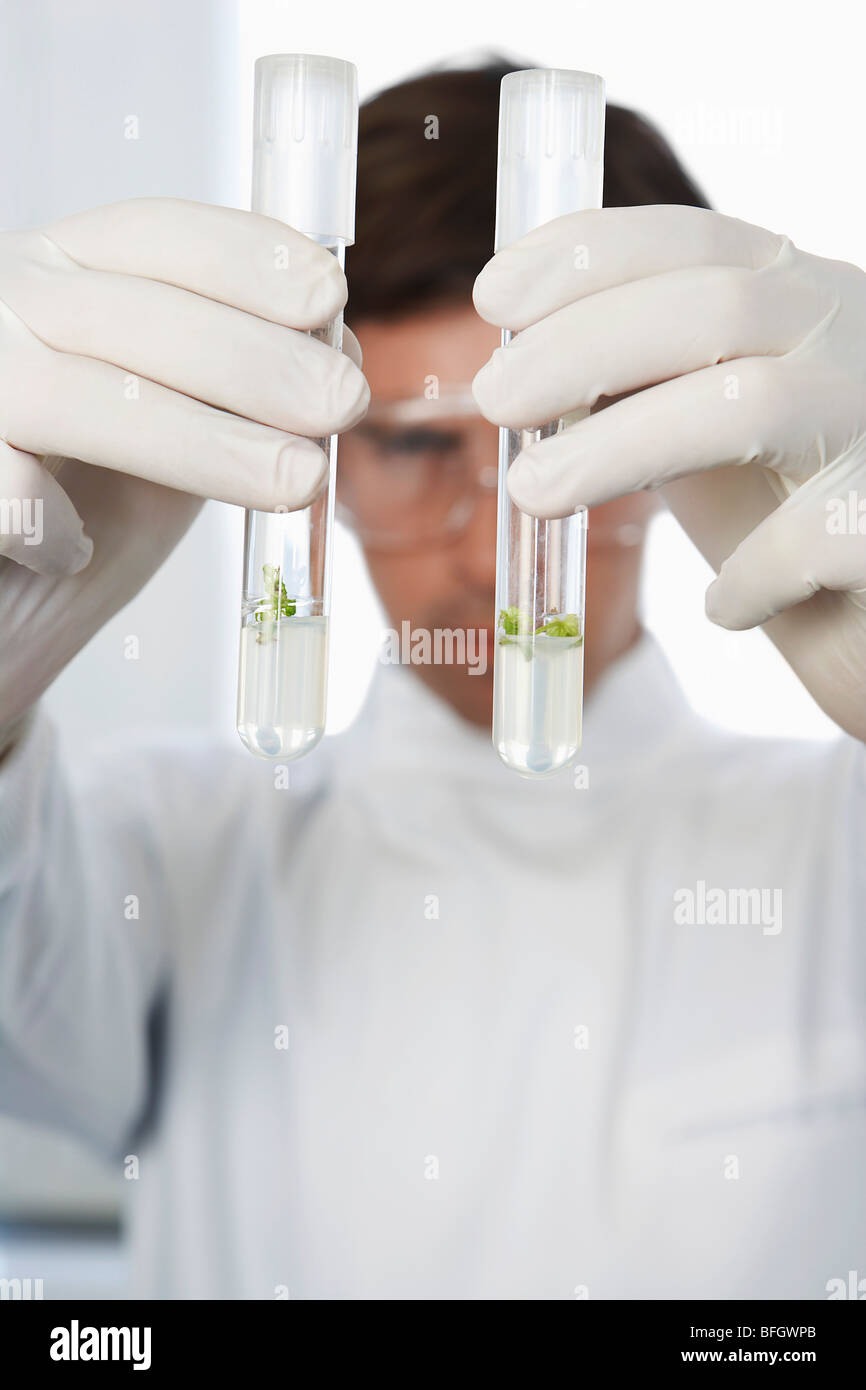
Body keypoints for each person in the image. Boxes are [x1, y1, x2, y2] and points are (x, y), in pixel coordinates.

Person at [0, 59, 864, 1300]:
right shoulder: (160, 852)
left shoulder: (831, 850)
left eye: (554, 441)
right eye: (411, 447)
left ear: (686, 442)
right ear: (318, 454)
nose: (485, 548)